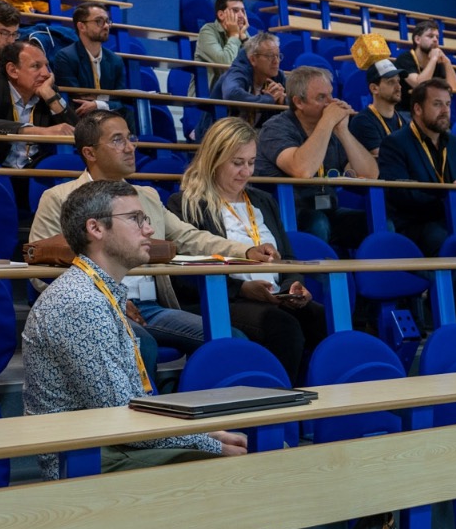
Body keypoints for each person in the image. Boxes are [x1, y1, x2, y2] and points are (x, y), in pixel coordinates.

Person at [24, 179, 312, 529]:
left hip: (111, 447)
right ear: (96, 230)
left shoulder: (98, 291)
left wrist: (209, 435)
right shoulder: (78, 304)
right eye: (134, 218)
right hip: (87, 466)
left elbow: (130, 414)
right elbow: (125, 423)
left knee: (269, 455)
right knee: (257, 474)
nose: (149, 227)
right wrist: (209, 441)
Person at [32, 111, 275, 357]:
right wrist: (104, 299)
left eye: (130, 138)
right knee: (140, 345)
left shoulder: (147, 196)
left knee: (233, 340)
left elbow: (190, 237)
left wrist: (244, 250)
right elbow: (40, 270)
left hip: (152, 308)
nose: (130, 147)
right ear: (90, 153)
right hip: (96, 306)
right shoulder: (59, 199)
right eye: (118, 140)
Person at [167, 118, 327, 377]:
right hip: (223, 298)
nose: (246, 172)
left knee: (320, 317)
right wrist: (242, 289)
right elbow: (184, 274)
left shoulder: (263, 200)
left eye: (251, 163)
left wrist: (292, 286)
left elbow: (287, 258)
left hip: (275, 295)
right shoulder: (186, 204)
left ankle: (320, 399)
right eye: (237, 163)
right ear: (214, 160)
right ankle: (283, 402)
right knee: (282, 327)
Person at [254, 66, 378, 244]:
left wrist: (343, 132)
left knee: (379, 224)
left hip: (327, 209)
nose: (331, 103)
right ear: (299, 102)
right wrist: (328, 121)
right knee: (318, 222)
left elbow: (370, 174)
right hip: (285, 212)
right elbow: (302, 170)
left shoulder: (333, 130)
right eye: (321, 97)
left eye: (331, 94)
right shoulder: (276, 128)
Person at [377, 78, 456, 256]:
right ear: (418, 109)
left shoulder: (455, 143)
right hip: (416, 225)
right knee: (448, 241)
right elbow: (401, 195)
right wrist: (447, 198)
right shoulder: (395, 143)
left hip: (453, 218)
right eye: (437, 104)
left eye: (448, 104)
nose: (445, 111)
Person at [0, 37, 76, 167]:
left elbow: (77, 130)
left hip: (34, 168)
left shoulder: (47, 90)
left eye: (46, 65)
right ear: (12, 70)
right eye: (36, 66)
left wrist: (51, 98)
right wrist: (41, 132)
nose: (46, 74)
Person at [50, 1, 126, 97]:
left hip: (109, 111)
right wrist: (106, 102)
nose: (106, 26)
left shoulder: (116, 60)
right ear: (82, 27)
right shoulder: (65, 57)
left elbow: (120, 100)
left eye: (107, 21)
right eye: (99, 21)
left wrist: (99, 104)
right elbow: (75, 97)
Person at [388, 19, 456, 110]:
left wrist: (447, 62)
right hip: (405, 112)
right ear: (417, 39)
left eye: (437, 37)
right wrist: (433, 59)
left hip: (428, 112)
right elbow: (419, 85)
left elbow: (453, 89)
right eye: (430, 36)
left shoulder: (438, 63)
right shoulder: (405, 58)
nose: (435, 40)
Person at [347, 60, 407, 156]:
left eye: (398, 81)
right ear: (374, 88)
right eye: (391, 82)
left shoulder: (404, 120)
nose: (399, 87)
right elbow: (385, 160)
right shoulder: (362, 121)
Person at [211, 31, 287, 106]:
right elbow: (231, 94)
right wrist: (268, 99)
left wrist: (284, 101)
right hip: (223, 118)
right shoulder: (238, 72)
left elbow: (296, 99)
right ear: (253, 59)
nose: (276, 61)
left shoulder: (278, 76)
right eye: (270, 56)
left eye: (277, 56)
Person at [194, 0, 250, 69]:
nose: (241, 15)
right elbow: (226, 63)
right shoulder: (207, 31)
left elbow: (257, 65)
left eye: (243, 11)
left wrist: (244, 38)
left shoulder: (242, 32)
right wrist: (234, 35)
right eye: (235, 10)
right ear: (221, 15)